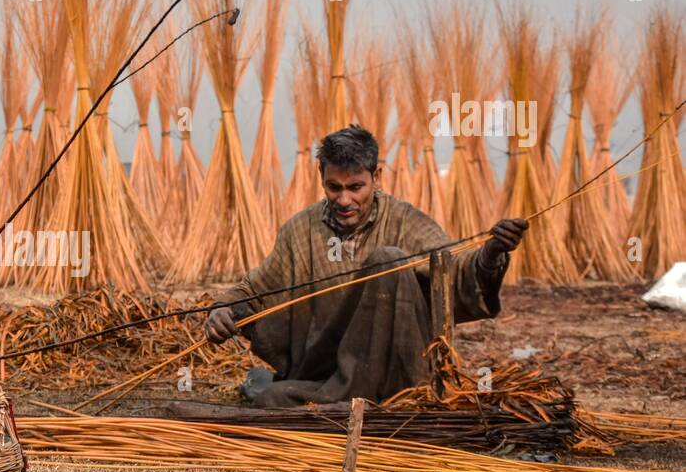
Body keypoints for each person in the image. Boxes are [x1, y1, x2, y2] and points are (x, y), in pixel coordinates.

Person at [204, 124, 527, 406]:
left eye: (355, 187)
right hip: (326, 374)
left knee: (387, 260)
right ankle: (341, 399)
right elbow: (253, 289)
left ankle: (373, 402)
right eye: (334, 187)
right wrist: (223, 309)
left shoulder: (406, 222)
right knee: (273, 399)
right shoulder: (301, 231)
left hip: (398, 380)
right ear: (322, 180)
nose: (344, 200)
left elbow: (453, 270)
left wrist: (491, 253)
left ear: (376, 178)